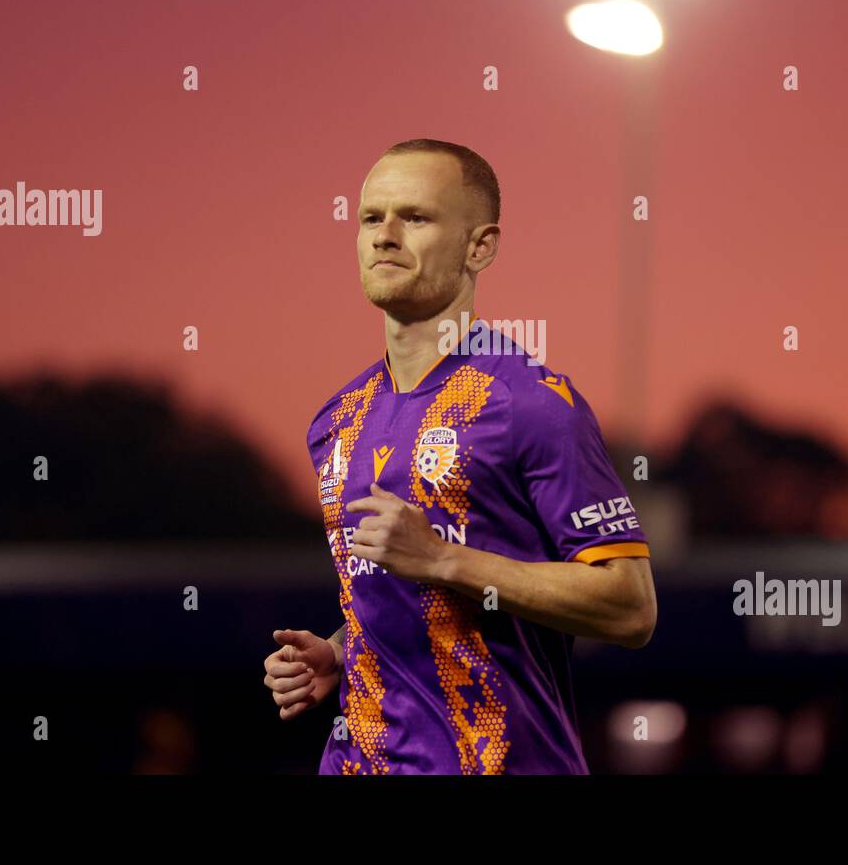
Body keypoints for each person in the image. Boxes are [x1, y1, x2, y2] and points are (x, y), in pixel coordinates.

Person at [263, 138, 657, 774]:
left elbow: (631, 607)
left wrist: (444, 559)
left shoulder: (533, 403)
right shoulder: (336, 420)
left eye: (415, 218)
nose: (384, 236)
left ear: (481, 246)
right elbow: (395, 594)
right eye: (371, 218)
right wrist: (340, 651)